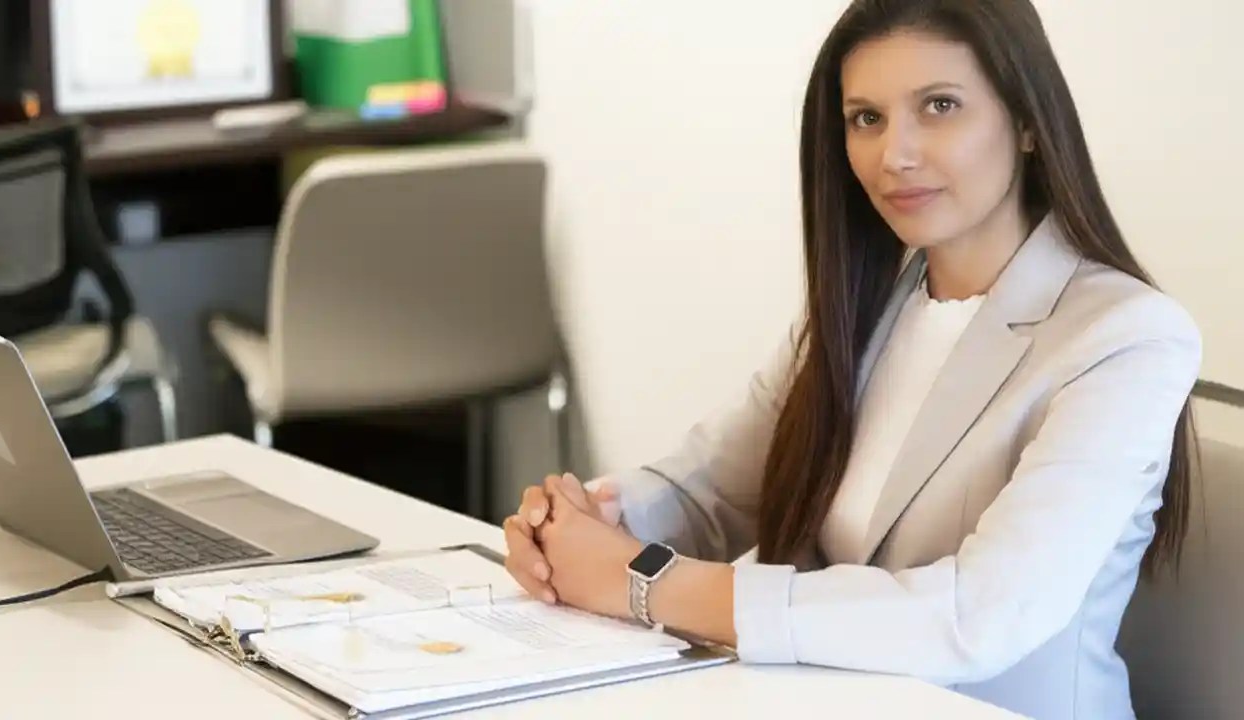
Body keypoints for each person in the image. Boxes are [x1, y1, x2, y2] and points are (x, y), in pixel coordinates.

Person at [503, 0, 1201, 717]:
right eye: (866, 118)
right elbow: (708, 490)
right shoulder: (863, 310)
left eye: (939, 106)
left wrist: (641, 582)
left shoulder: (1127, 336)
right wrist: (586, 520)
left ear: (1026, 121)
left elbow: (980, 614)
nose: (894, 153)